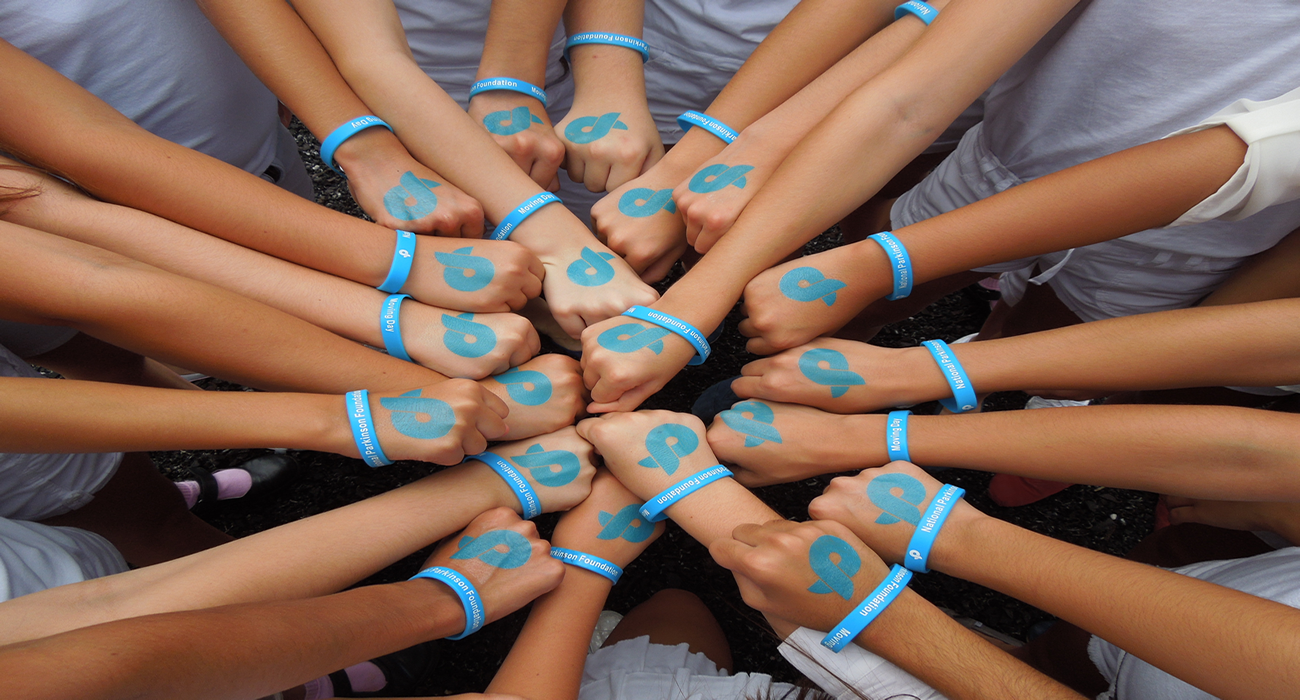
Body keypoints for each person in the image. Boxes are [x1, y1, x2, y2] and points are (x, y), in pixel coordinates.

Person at [576, 0, 1300, 411]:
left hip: (1186, 245)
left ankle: (986, 392)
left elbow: (1241, 164)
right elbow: (910, 95)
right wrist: (705, 294)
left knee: (1048, 345)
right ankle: (795, 379)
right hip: (1011, 154)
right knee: (863, 281)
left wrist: (703, 292)